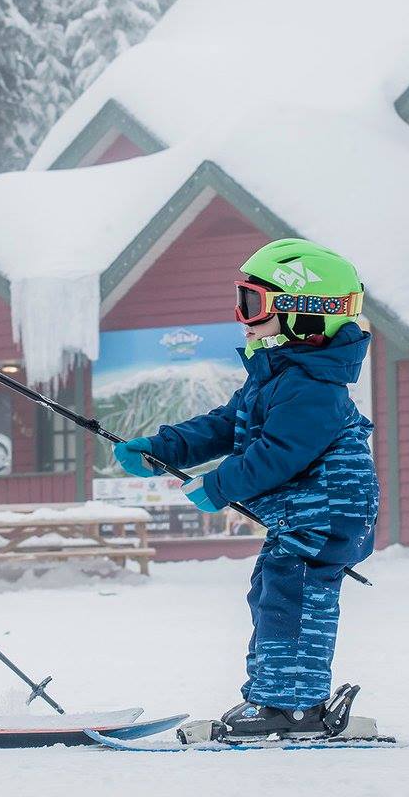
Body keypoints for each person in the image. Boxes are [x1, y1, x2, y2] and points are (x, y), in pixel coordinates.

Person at [112, 239, 378, 740]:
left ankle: (290, 707)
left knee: (290, 598)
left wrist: (219, 486)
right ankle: (284, 699)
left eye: (253, 302)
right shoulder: (277, 377)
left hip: (326, 516)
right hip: (304, 518)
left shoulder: (314, 390)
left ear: (305, 312)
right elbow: (224, 426)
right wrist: (162, 448)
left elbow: (279, 455)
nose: (242, 315)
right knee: (272, 594)